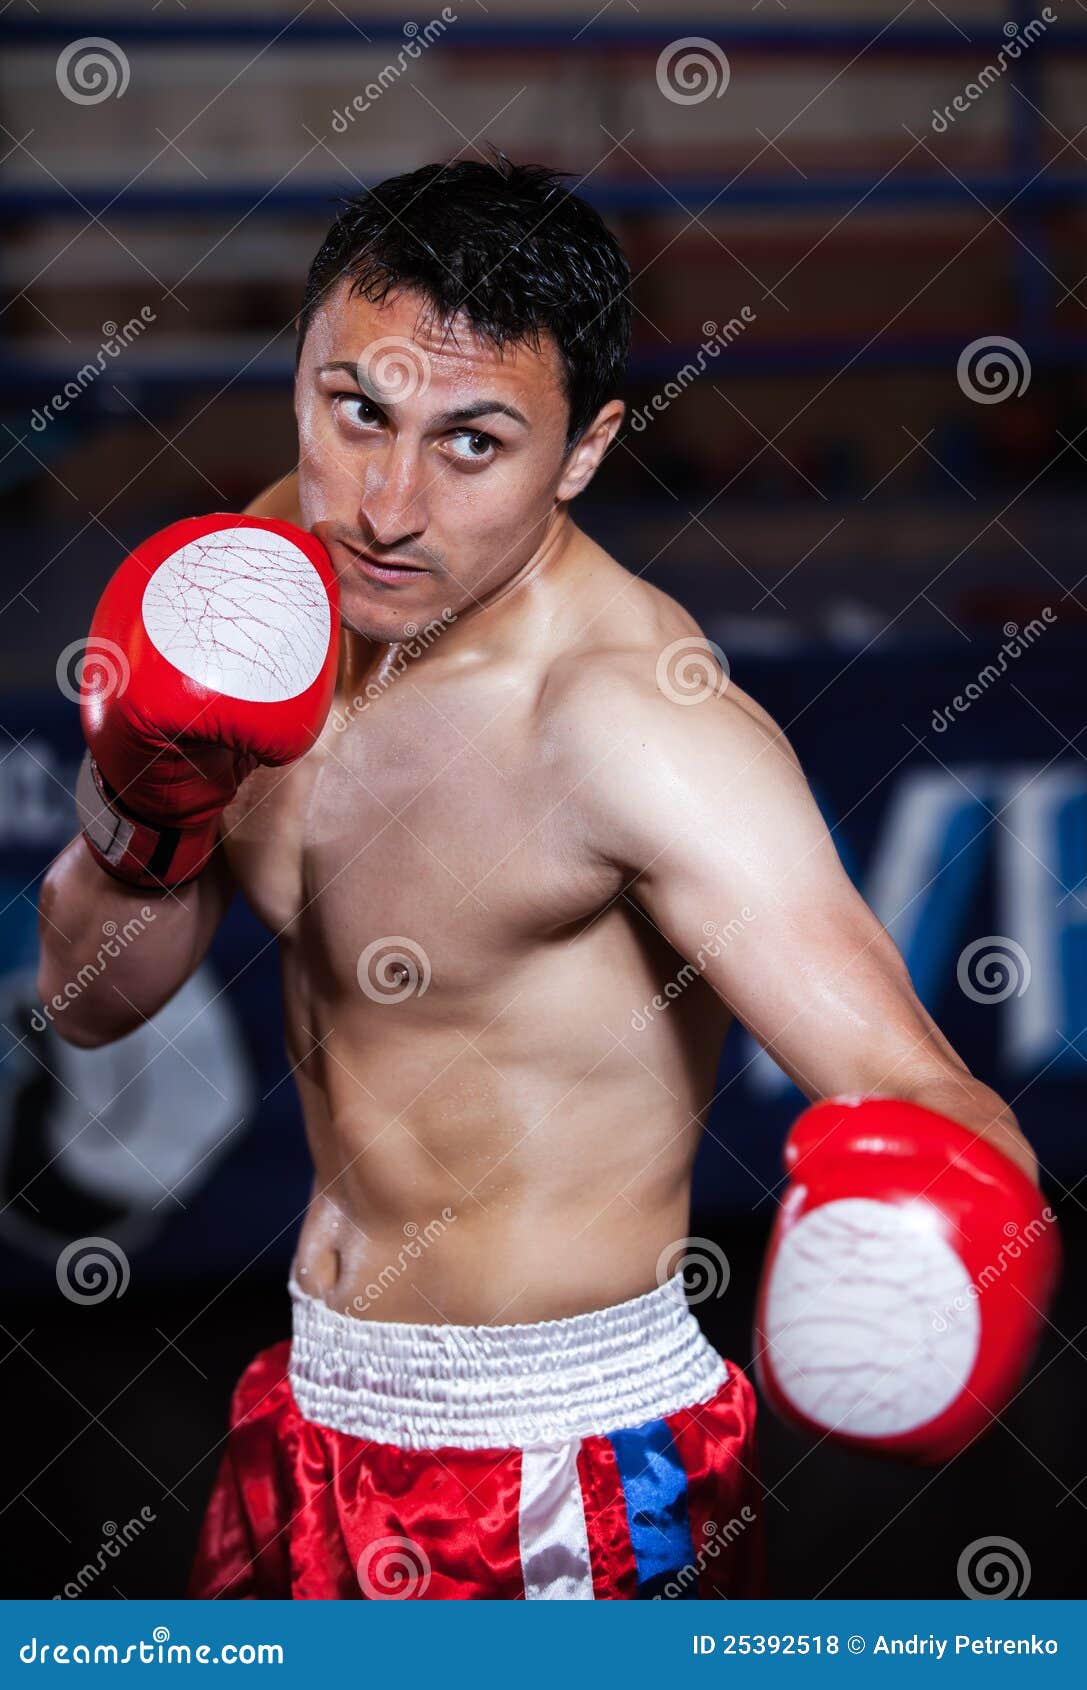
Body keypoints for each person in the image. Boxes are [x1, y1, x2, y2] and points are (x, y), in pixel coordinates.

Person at [37, 157, 1055, 1601]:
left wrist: (934, 1240)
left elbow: (934, 1096)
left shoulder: (638, 727)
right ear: (308, 380)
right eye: (359, 413)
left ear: (583, 451)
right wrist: (145, 811)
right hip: (309, 1405)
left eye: (474, 444)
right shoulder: (255, 589)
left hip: (560, 1474)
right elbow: (88, 1010)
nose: (386, 505)